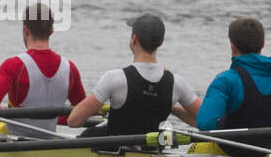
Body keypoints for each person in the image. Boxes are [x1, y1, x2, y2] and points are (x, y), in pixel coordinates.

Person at [68, 14, 201, 137]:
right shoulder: (177, 84)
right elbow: (206, 122)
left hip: (113, 152)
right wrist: (171, 108)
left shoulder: (114, 78)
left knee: (89, 133)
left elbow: (74, 121)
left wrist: (93, 108)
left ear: (133, 39)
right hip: (150, 152)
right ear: (161, 42)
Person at [196, 17, 271, 156]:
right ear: (263, 44)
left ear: (232, 47)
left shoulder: (226, 80)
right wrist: (264, 140)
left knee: (198, 145)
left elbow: (205, 125)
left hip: (222, 156)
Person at [0, 4, 86, 133]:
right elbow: (82, 112)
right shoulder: (70, 69)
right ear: (51, 31)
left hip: (15, 145)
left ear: (26, 30)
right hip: (49, 143)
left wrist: (8, 114)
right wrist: (51, 119)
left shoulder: (13, 66)